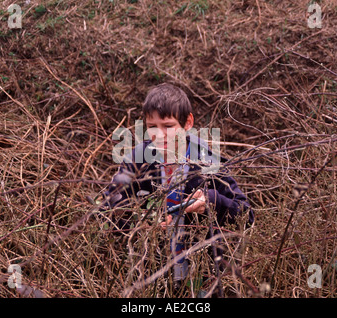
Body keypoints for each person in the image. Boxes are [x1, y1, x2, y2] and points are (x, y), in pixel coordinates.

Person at [103, 83, 254, 292]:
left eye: (168, 126)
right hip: (152, 278)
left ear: (188, 122)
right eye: (152, 126)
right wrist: (140, 222)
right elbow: (106, 210)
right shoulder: (137, 160)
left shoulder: (207, 160)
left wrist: (211, 200)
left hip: (203, 277)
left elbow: (246, 214)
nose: (159, 135)